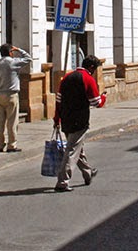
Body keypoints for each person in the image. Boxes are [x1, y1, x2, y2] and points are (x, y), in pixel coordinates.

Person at [53, 55, 107, 192]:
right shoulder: (87, 79)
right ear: (91, 67)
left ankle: (88, 172)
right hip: (80, 120)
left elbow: (58, 100)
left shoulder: (66, 77)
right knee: (72, 150)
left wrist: (57, 118)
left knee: (77, 148)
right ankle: (62, 181)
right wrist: (103, 97)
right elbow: (96, 102)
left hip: (66, 118)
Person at [0, 43, 33, 153]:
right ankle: (12, 145)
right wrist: (19, 49)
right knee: (12, 121)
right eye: (12, 51)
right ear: (10, 52)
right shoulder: (14, 62)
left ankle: (0, 144)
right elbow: (28, 58)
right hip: (11, 95)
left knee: (0, 122)